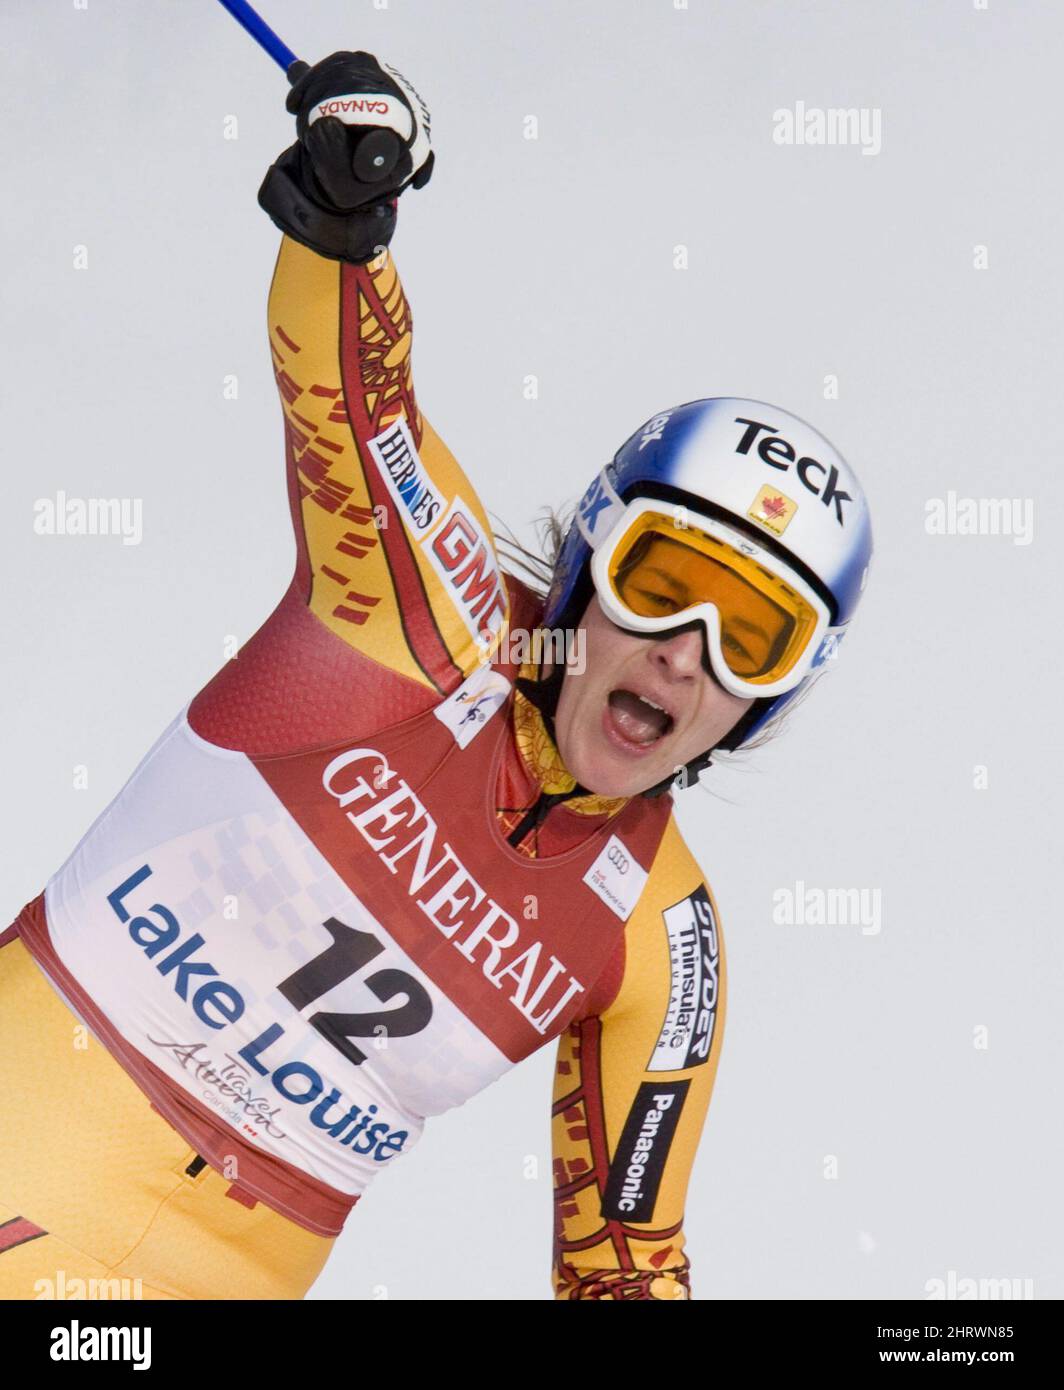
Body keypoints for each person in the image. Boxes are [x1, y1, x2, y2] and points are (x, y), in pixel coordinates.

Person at [0, 51, 872, 1301]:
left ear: (768, 698)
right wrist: (345, 219)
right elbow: (359, 404)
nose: (685, 649)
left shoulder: (661, 934)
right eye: (659, 576)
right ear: (583, 563)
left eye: (754, 635)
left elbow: (622, 1272)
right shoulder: (429, 620)